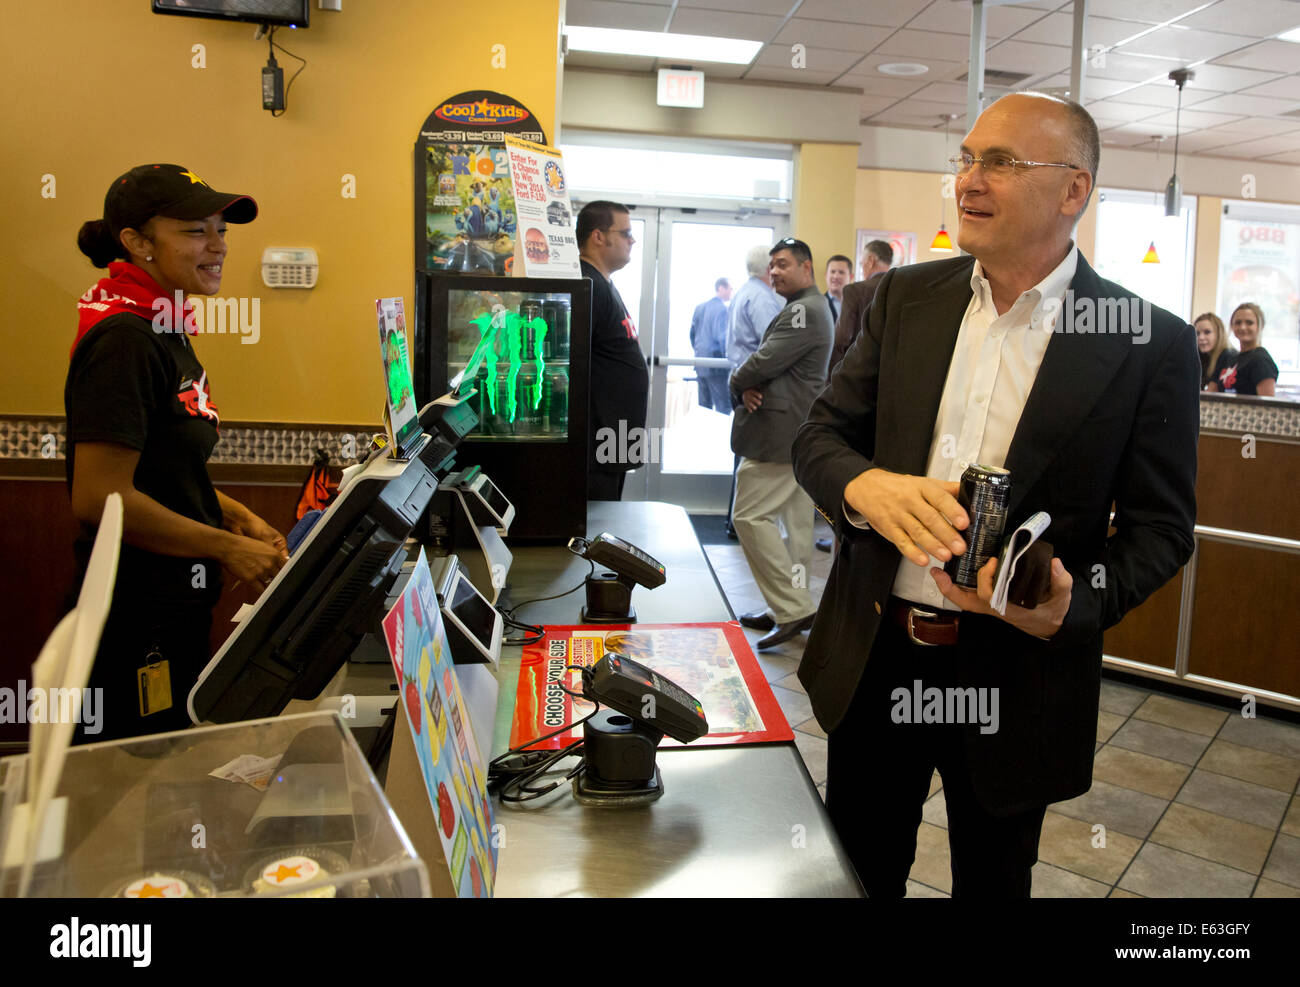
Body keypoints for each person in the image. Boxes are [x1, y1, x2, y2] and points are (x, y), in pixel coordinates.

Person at [791, 93, 1199, 896]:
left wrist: (1075, 605)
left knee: (994, 881)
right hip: (880, 657)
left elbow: (1162, 528)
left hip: (1017, 678)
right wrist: (866, 486)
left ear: (1073, 190)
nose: (968, 181)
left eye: (1001, 163)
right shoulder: (901, 299)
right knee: (857, 873)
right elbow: (819, 439)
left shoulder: (1147, 340)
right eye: (967, 159)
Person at [66, 163, 289, 743]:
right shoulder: (124, 340)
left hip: (175, 601)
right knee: (134, 784)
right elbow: (100, 497)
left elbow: (158, 471)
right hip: (134, 612)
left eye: (221, 230)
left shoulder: (163, 324)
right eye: (195, 232)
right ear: (137, 243)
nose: (217, 247)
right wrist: (226, 547)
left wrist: (234, 515)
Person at [730, 238, 833, 650]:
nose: (775, 272)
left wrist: (739, 381)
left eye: (784, 264)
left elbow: (765, 361)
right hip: (796, 430)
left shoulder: (803, 311)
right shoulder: (808, 307)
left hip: (779, 434)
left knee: (749, 517)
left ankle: (792, 609)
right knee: (795, 525)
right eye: (772, 266)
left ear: (807, 268)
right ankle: (791, 605)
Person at [817, 239, 896, 553]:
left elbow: (842, 343)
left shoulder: (857, 292)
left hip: (855, 397)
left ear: (872, 261)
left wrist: (830, 393)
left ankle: (842, 549)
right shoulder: (907, 289)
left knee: (846, 475)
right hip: (890, 402)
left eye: (863, 261)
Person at [577, 200, 650, 501]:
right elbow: (576, 365)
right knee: (596, 523)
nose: (632, 240)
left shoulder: (604, 283)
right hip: (598, 439)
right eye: (625, 233)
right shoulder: (587, 284)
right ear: (598, 236)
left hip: (614, 438)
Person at [723, 244, 784, 539]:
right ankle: (743, 522)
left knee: (745, 458)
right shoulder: (763, 299)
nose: (776, 272)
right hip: (754, 388)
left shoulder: (743, 293)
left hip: (743, 382)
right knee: (754, 462)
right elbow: (771, 349)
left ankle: (736, 521)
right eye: (774, 265)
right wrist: (747, 384)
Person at [830, 239, 893, 370]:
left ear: (871, 260)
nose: (862, 267)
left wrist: (832, 376)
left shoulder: (854, 290)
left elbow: (842, 338)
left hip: (858, 371)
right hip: (889, 370)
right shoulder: (900, 289)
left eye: (862, 263)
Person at [1208, 302, 1277, 397]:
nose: (1242, 327)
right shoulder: (1230, 358)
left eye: (1249, 323)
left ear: (1260, 326)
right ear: (1232, 326)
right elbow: (1212, 393)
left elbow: (1268, 406)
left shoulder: (1261, 360)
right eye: (1238, 322)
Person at [689, 277, 732, 412]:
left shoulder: (699, 308)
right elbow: (723, 338)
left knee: (704, 408)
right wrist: (730, 361)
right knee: (723, 408)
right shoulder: (722, 309)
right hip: (716, 367)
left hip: (700, 364)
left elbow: (692, 335)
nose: (731, 292)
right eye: (730, 289)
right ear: (721, 288)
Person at [1194, 311, 1235, 390]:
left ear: (1219, 333)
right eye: (1197, 333)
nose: (1201, 337)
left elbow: (1210, 393)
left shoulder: (1228, 356)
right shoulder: (1202, 356)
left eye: (1207, 332)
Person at [823, 254, 853, 324]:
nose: (836, 276)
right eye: (832, 272)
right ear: (826, 275)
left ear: (851, 277)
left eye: (841, 272)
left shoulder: (858, 303)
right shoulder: (818, 304)